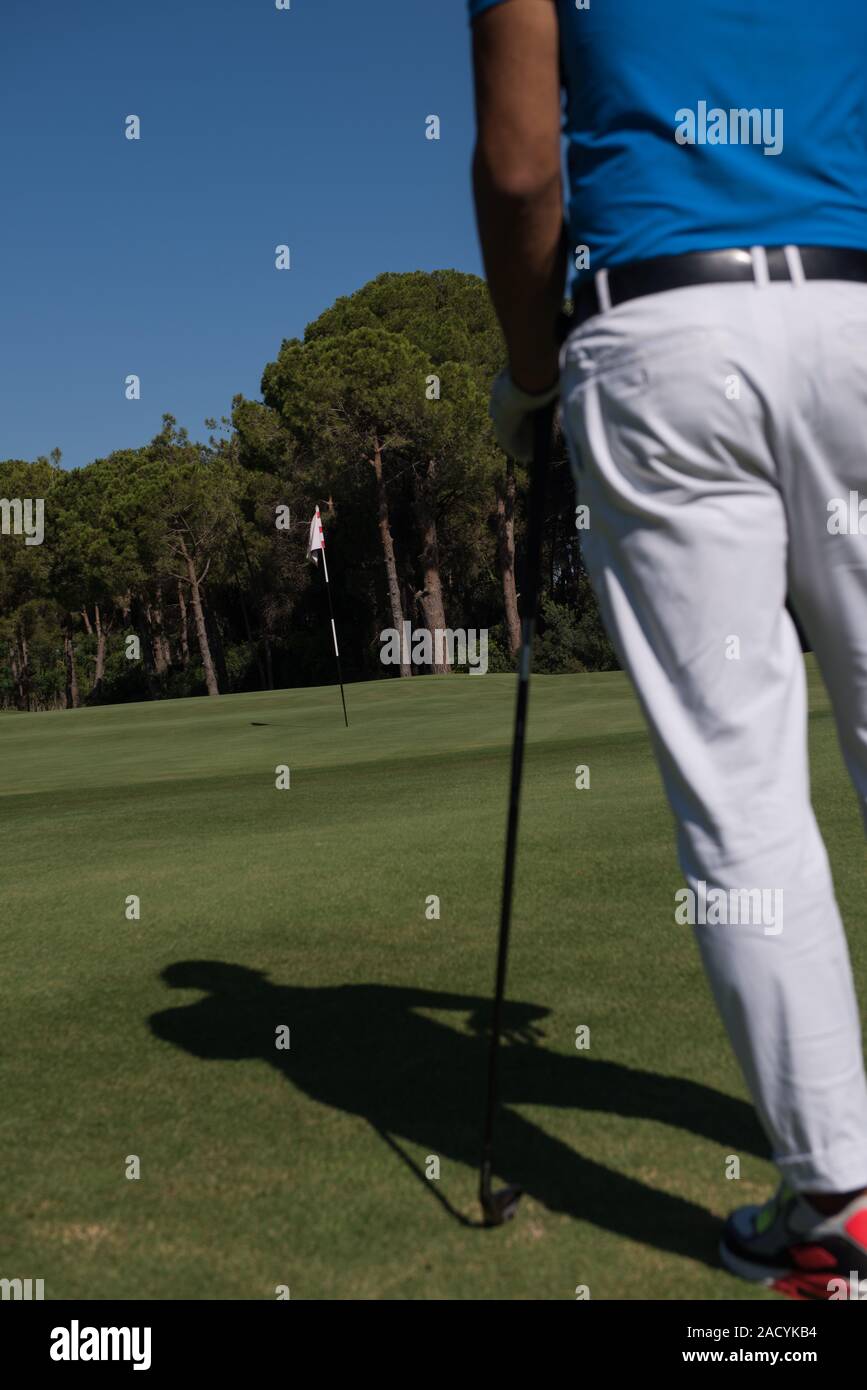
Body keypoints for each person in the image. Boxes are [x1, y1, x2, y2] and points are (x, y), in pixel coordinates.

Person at [469, 0, 867, 1299]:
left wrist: (530, 371)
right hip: (856, 301)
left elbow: (524, 163)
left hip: (663, 334)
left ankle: (838, 1215)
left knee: (743, 798)